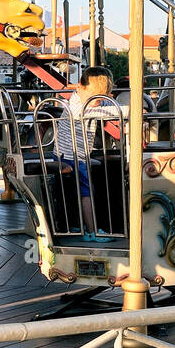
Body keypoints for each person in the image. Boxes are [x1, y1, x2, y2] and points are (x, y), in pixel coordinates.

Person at [54, 66, 118, 235]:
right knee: (86, 192)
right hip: (70, 155)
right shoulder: (76, 106)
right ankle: (92, 231)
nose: (96, 102)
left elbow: (106, 105)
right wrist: (129, 110)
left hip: (79, 154)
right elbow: (103, 110)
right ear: (80, 87)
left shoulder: (90, 99)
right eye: (94, 99)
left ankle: (76, 224)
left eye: (99, 99)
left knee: (78, 191)